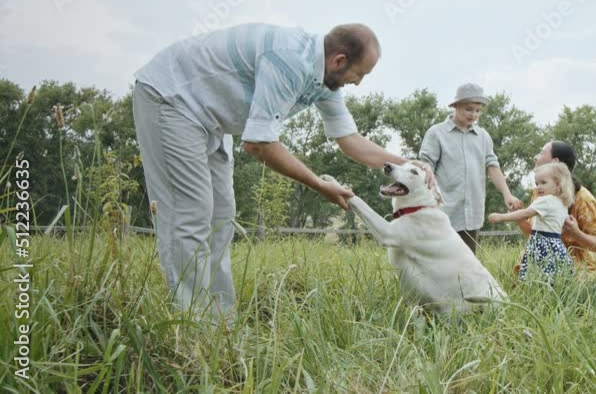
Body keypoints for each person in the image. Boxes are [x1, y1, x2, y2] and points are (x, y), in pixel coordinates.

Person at [132, 22, 430, 321]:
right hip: (172, 98)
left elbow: (350, 141)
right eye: (360, 74)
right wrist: (317, 183)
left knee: (221, 215)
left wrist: (407, 164)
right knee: (191, 213)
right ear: (339, 61)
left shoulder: (323, 79)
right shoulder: (289, 60)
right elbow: (259, 144)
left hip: (211, 118)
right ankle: (191, 325)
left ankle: (221, 322)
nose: (358, 82)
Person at [418, 83, 522, 254]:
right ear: (456, 106)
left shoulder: (483, 137)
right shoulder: (436, 133)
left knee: (466, 267)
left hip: (472, 214)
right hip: (443, 212)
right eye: (469, 109)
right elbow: (425, 169)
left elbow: (492, 166)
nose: (474, 115)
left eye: (478, 110)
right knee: (440, 263)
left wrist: (507, 194)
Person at [512, 141, 596, 275]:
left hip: (575, 262)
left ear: (555, 162)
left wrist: (576, 233)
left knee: (573, 280)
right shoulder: (539, 192)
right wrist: (519, 218)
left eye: (541, 153)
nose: (535, 157)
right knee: (523, 272)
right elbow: (535, 235)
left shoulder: (584, 198)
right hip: (541, 254)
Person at [488, 162, 574, 280]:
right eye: (537, 183)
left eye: (543, 182)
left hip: (541, 245)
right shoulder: (562, 204)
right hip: (556, 246)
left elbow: (526, 213)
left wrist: (502, 217)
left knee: (534, 278)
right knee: (551, 279)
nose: (538, 187)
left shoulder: (545, 200)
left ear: (558, 183)